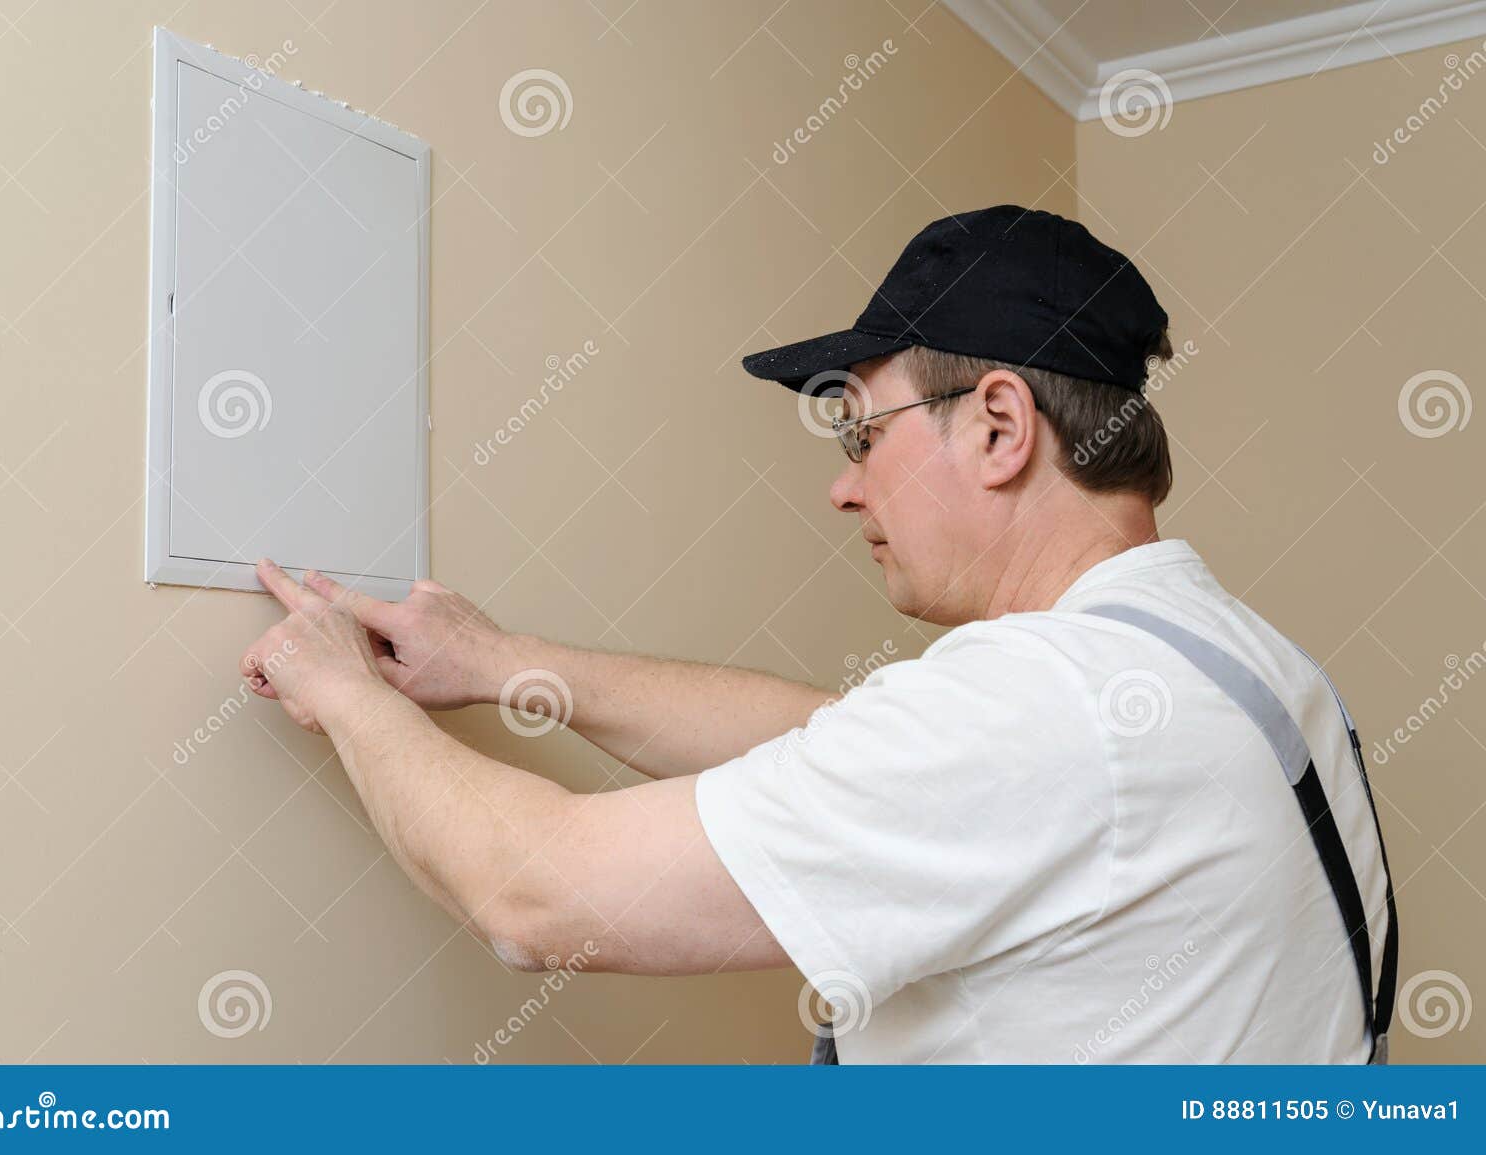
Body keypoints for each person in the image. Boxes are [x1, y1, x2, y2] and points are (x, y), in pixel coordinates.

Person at [239, 205, 1395, 1063]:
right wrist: (502, 667)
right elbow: (843, 742)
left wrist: (343, 691)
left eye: (859, 435)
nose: (845, 491)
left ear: (999, 426)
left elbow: (536, 898)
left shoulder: (1043, 710)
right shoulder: (1250, 671)